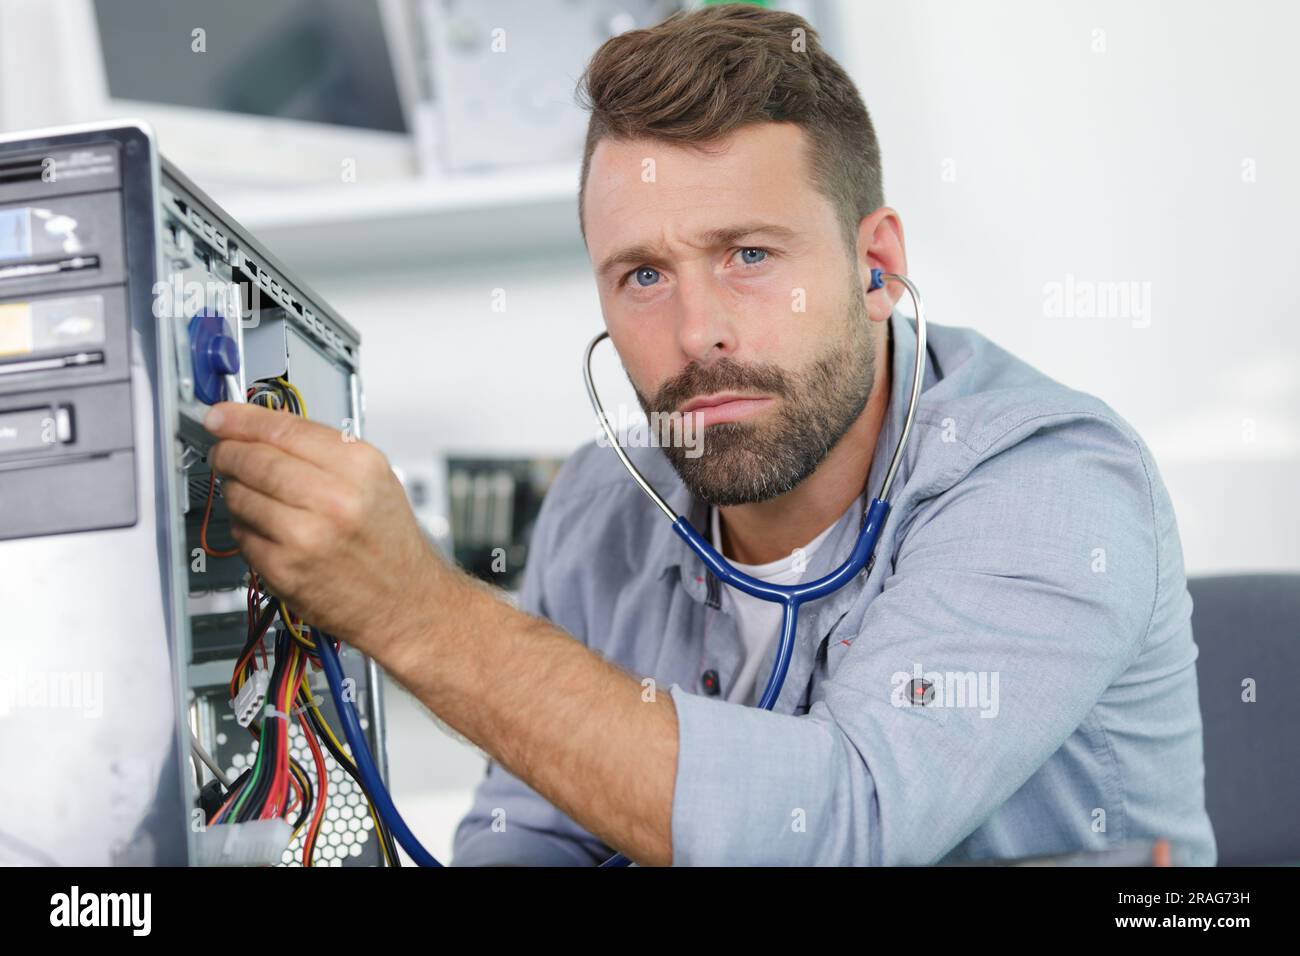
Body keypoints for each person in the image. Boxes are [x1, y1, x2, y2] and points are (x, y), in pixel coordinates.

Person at [205, 3, 1216, 866]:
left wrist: (416, 608)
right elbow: (527, 839)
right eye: (643, 274)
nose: (697, 334)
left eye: (747, 253)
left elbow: (846, 821)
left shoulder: (1053, 483)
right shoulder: (602, 507)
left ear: (875, 267)